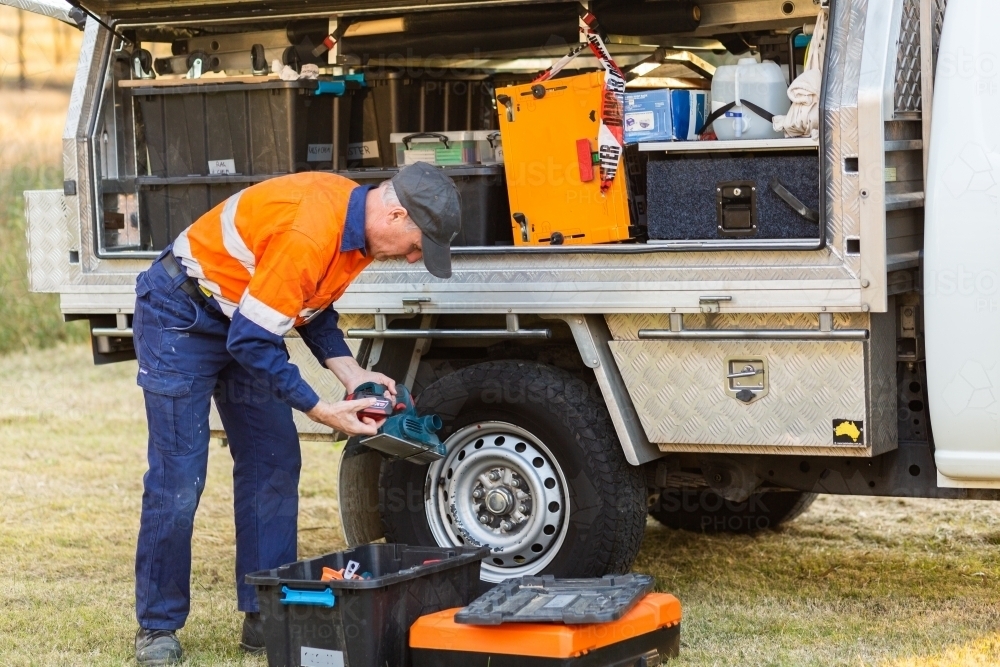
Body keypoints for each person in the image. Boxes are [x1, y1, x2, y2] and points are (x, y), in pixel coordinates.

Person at [131, 162, 460, 665]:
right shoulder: (311, 229)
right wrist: (322, 409)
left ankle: (264, 615)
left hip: (243, 318)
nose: (415, 259)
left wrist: (352, 375)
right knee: (179, 479)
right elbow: (253, 340)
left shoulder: (357, 234)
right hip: (181, 316)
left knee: (274, 462)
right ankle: (158, 625)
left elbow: (312, 308)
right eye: (418, 246)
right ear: (396, 214)